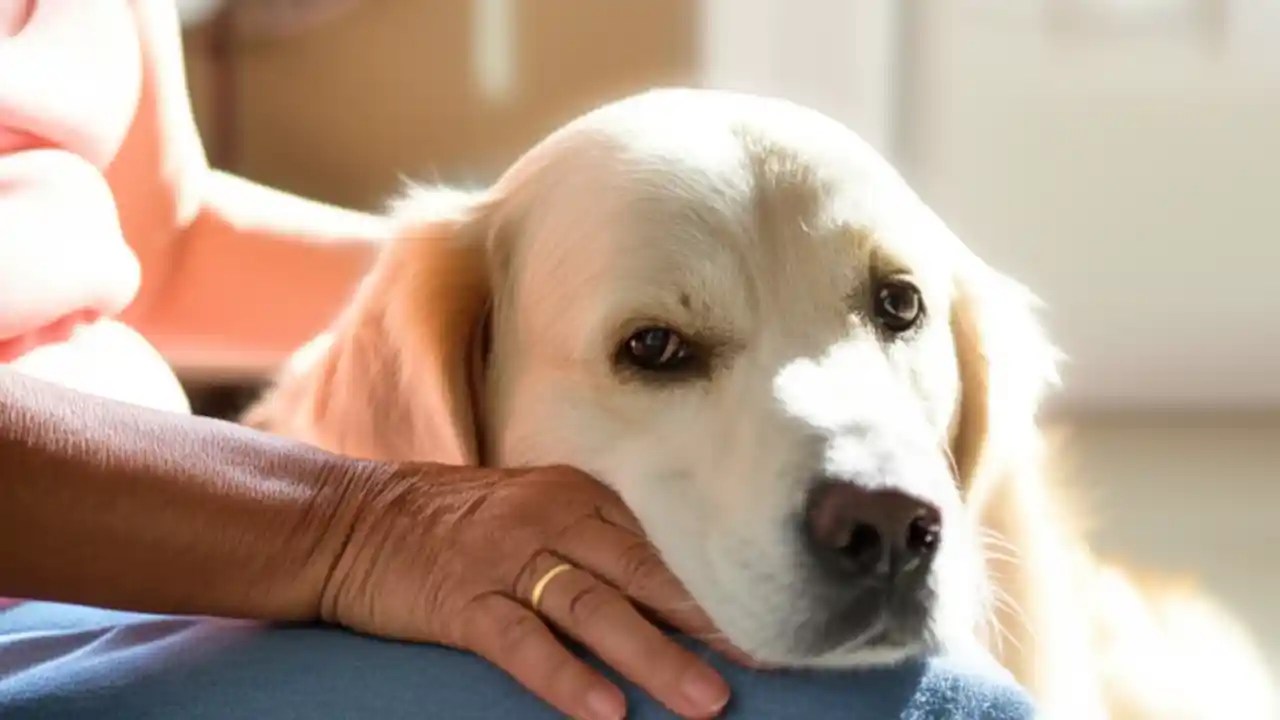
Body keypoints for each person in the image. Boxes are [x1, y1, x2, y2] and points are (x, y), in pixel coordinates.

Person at [0, 2, 1036, 718]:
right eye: (659, 350)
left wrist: (559, 250)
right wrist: (362, 527)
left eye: (894, 307)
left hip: (163, 557)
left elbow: (158, 238)